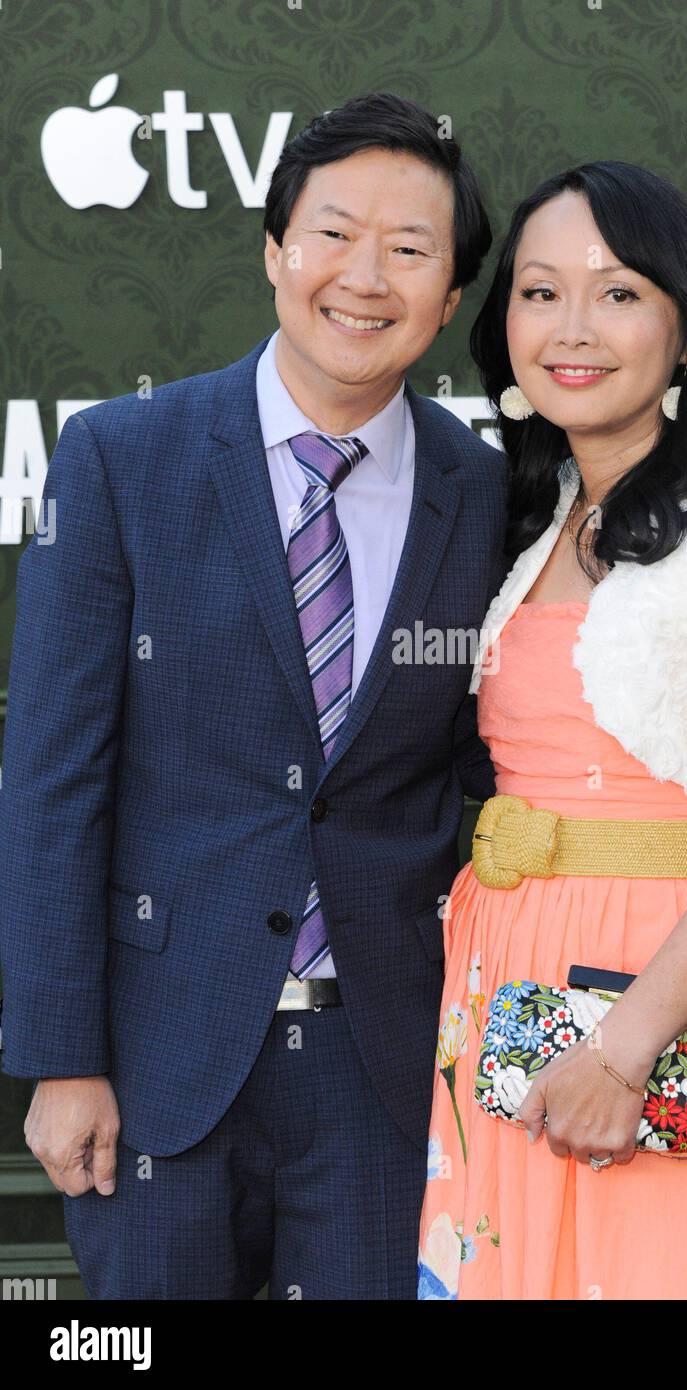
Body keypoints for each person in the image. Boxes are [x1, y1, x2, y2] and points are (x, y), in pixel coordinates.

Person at [0, 91, 508, 1300]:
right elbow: (52, 776)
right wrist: (60, 1059)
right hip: (157, 1057)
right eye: (332, 232)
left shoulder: (487, 495)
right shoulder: (123, 458)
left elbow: (485, 778)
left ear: (447, 298)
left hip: (385, 1065)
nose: (363, 276)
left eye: (409, 249)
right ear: (275, 250)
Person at [417, 160, 687, 1300]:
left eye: (616, 293)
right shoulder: (546, 504)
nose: (571, 327)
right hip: (506, 1003)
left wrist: (621, 1048)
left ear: (683, 323)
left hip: (658, 1004)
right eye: (537, 290)